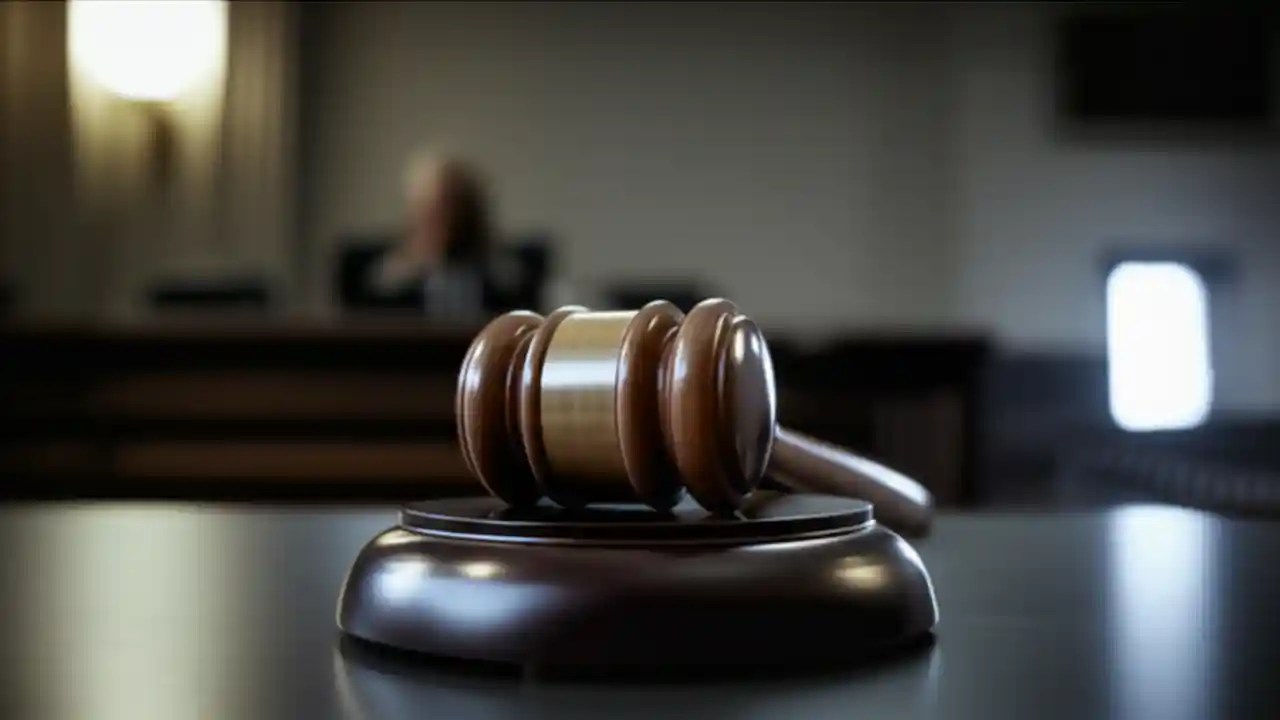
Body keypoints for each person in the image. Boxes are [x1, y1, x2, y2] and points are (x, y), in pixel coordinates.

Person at [370, 152, 496, 320]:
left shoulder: (500, 279)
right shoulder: (389, 283)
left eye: (450, 208)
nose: (441, 220)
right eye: (430, 210)